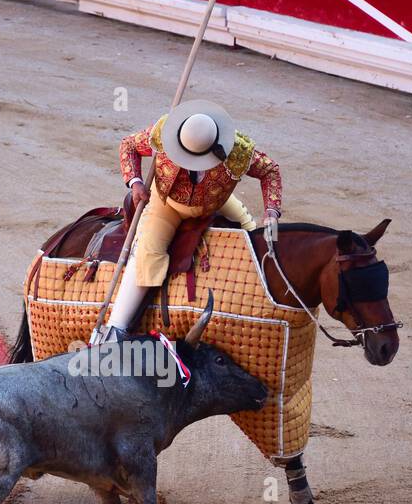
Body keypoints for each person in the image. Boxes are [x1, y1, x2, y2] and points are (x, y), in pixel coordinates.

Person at [91, 100, 283, 344]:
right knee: (147, 252)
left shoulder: (238, 150)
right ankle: (115, 329)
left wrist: (272, 211)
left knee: (252, 235)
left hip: (215, 201)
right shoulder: (162, 133)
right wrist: (136, 183)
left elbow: (270, 171)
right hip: (167, 203)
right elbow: (128, 144)